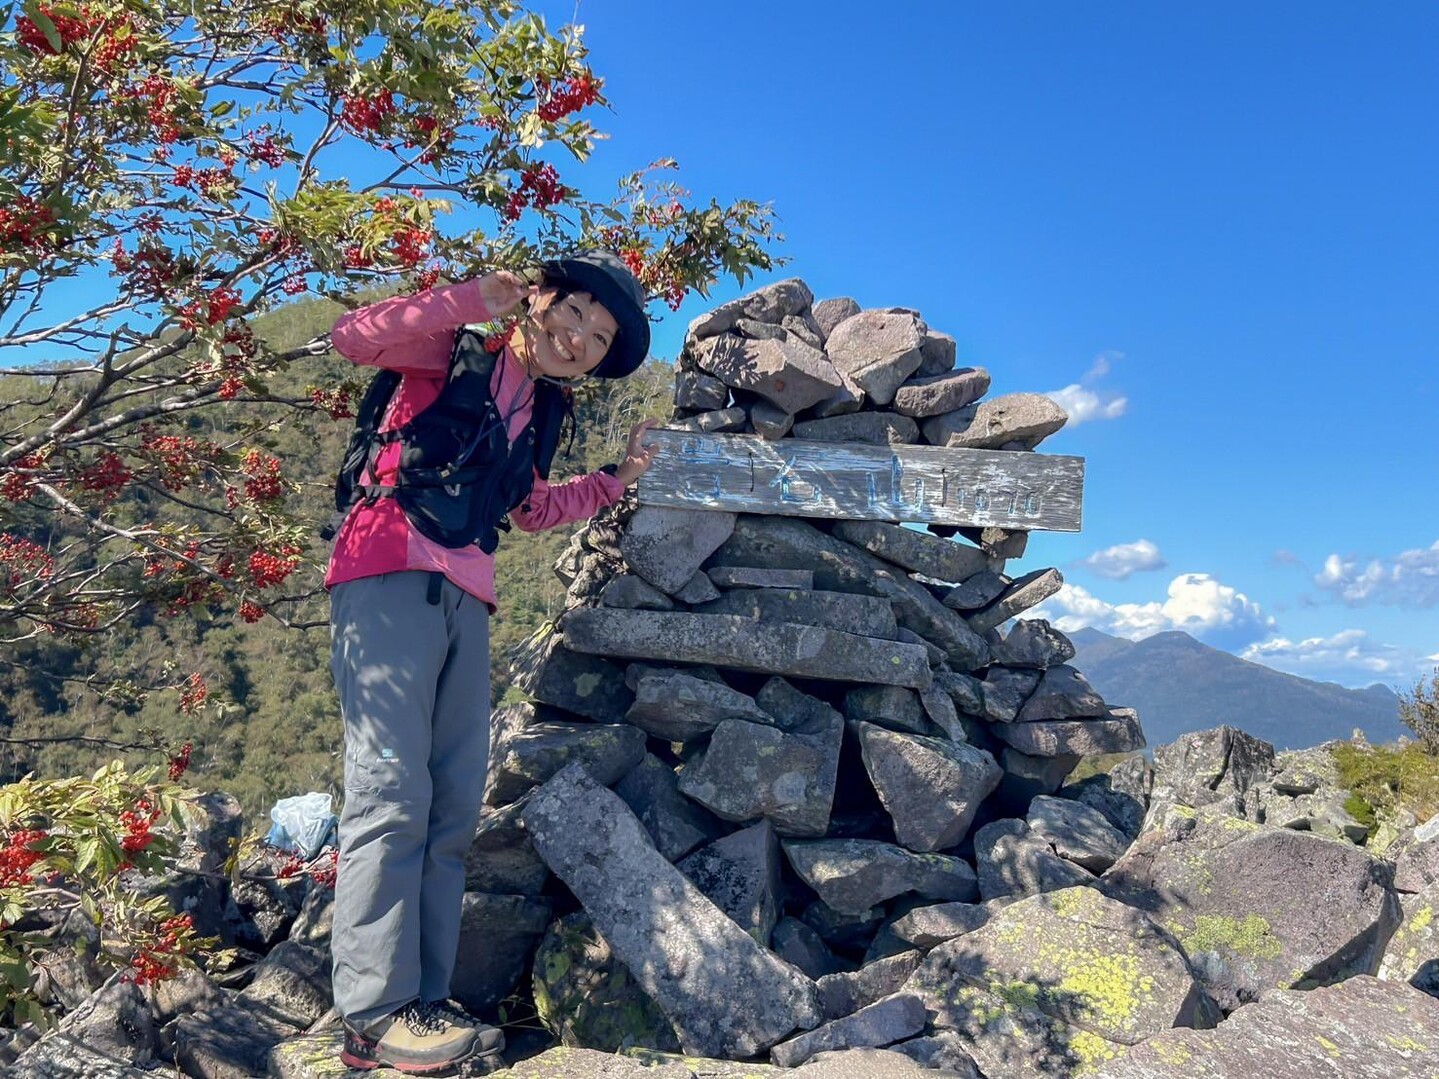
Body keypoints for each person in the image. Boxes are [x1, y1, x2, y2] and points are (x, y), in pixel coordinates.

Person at [324, 250, 659, 1073]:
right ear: (537, 300)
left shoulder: (541, 410)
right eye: (575, 312)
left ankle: (421, 1000)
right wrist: (466, 299)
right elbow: (351, 336)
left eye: (599, 333)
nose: (580, 337)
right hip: (386, 568)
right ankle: (370, 1013)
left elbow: (531, 506)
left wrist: (618, 477)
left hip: (467, 593)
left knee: (449, 805)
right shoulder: (451, 351)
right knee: (391, 788)